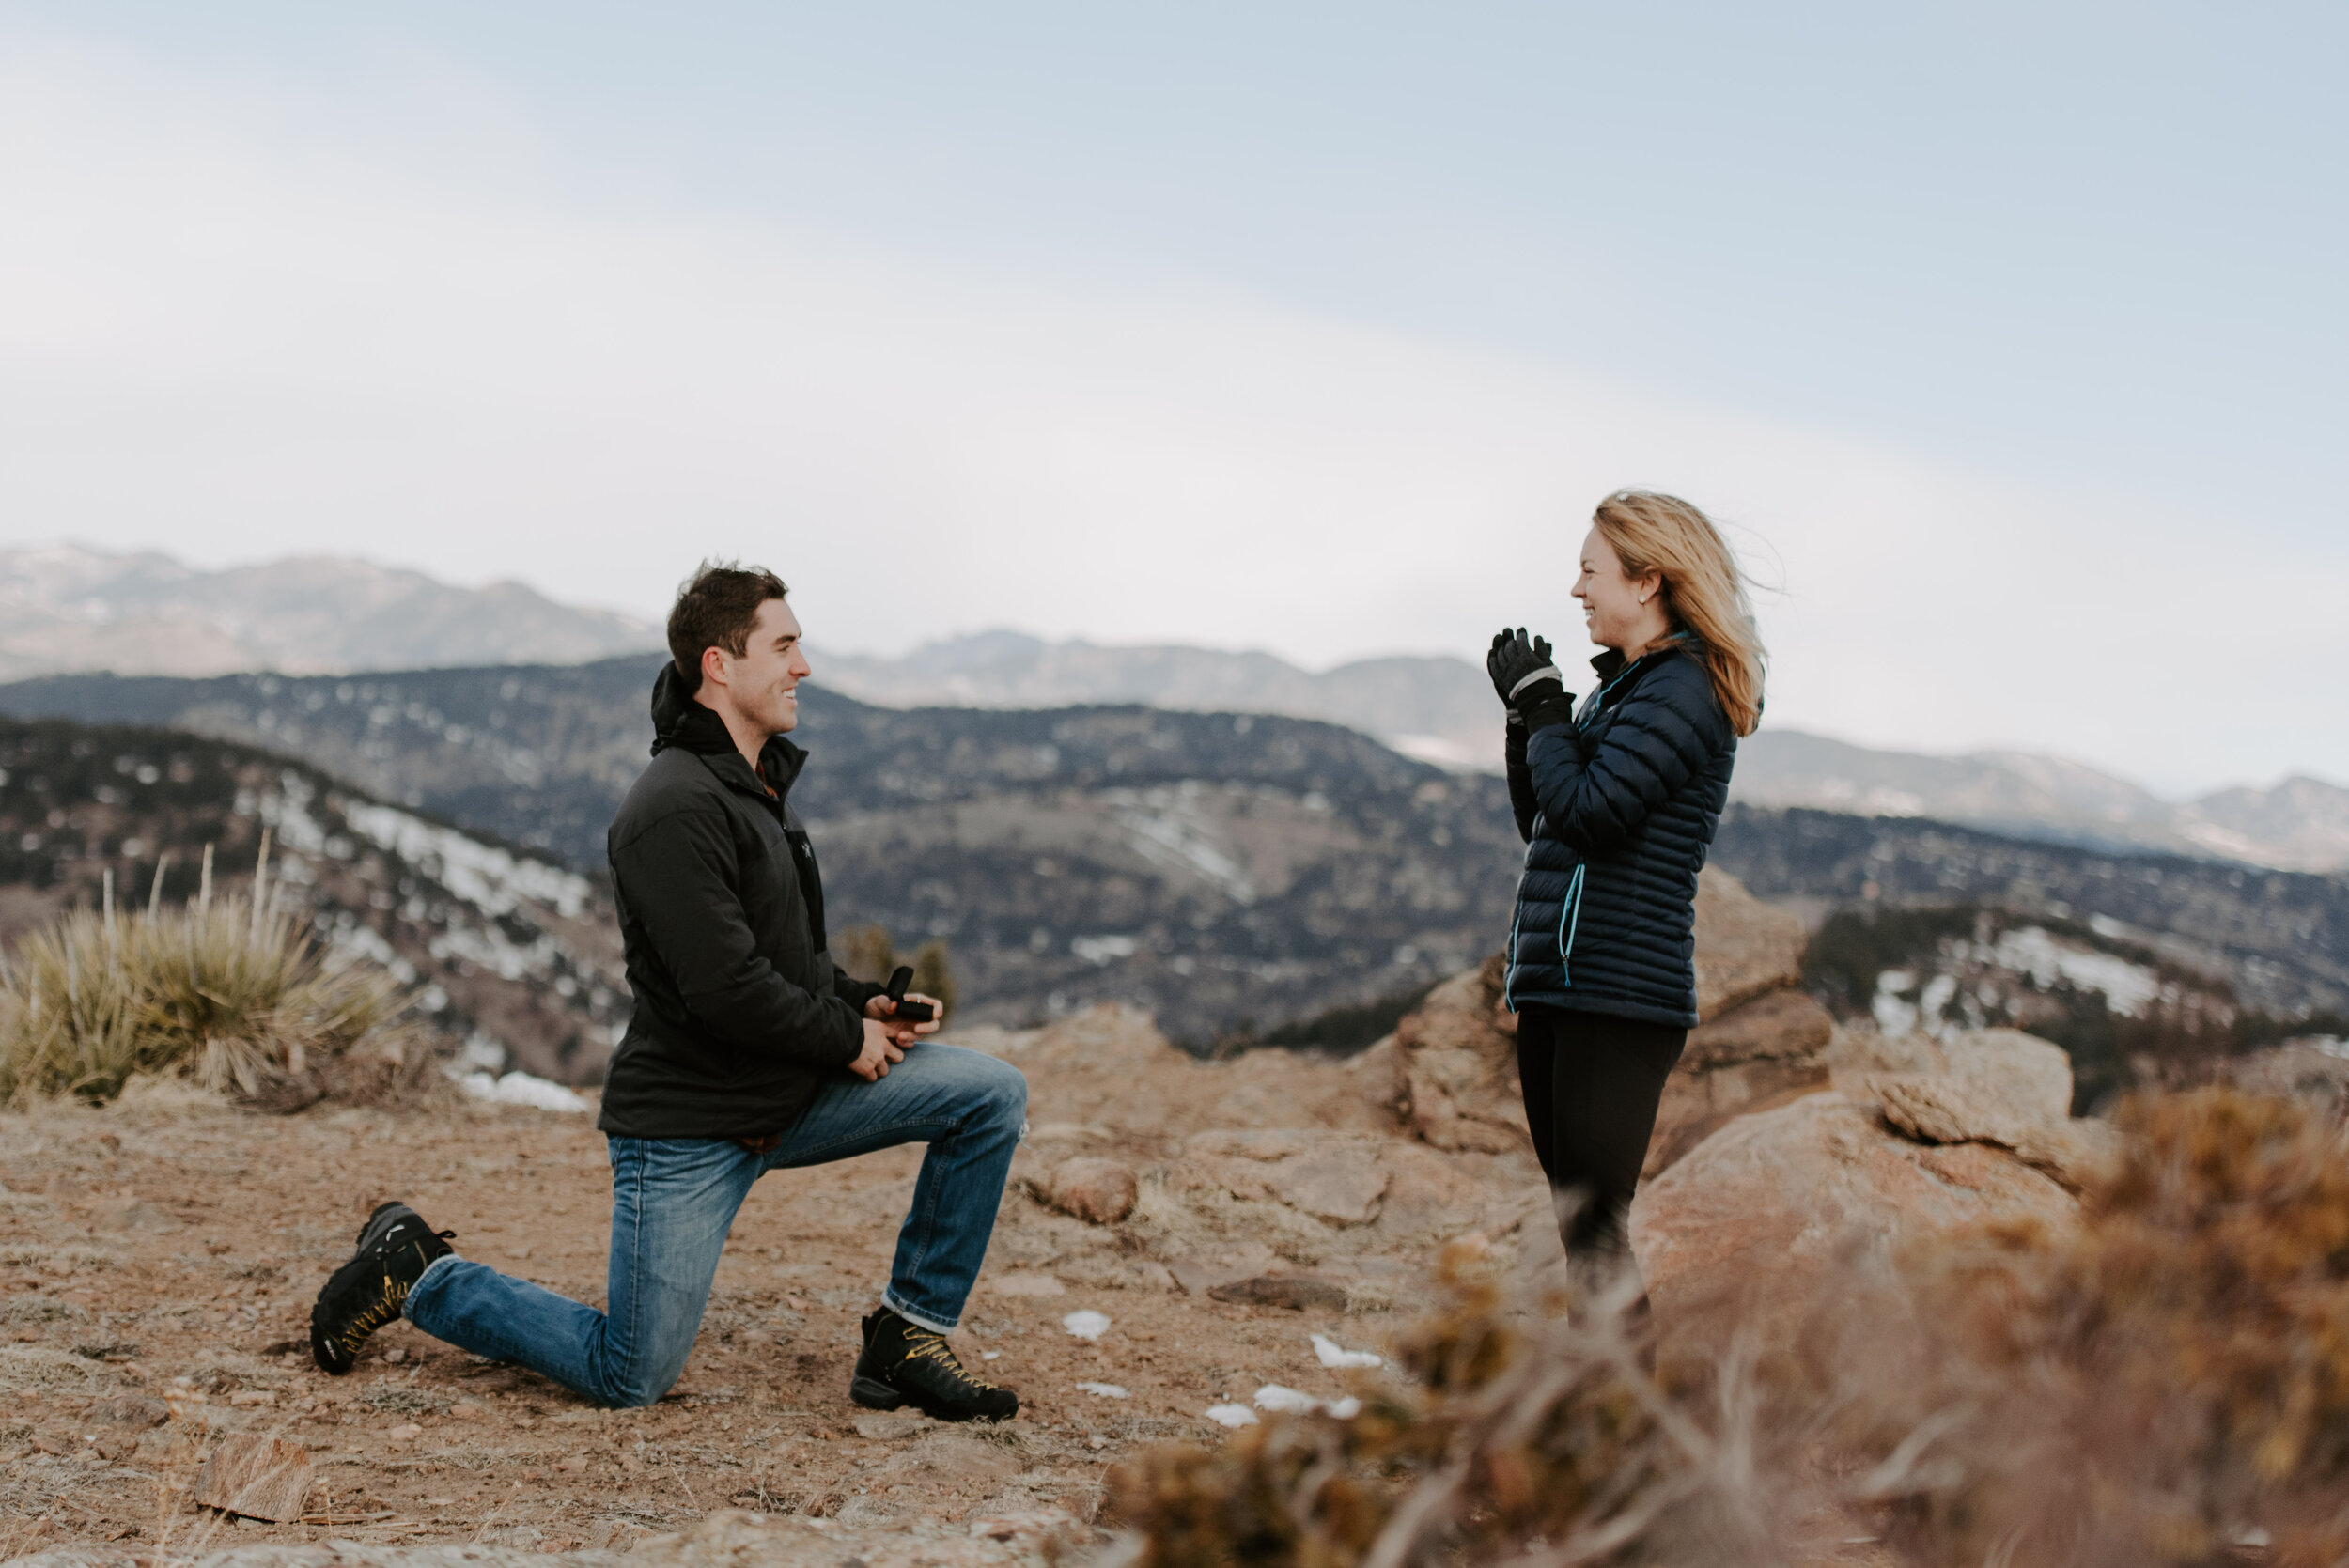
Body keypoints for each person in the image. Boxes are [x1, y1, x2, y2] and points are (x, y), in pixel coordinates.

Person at [305, 563, 1028, 1421]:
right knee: (631, 1372)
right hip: (691, 1127)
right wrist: (842, 1038)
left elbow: (780, 958)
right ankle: (419, 1271)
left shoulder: (754, 787)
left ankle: (907, 1336)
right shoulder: (672, 807)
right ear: (720, 664)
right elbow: (724, 987)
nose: (804, 667)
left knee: (990, 1095)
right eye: (785, 646)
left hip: (787, 1094)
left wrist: (862, 1002)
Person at [1485, 490, 1766, 1270]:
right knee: (1583, 1234)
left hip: (1617, 994)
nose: (1578, 589)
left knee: (1596, 1233)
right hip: (1566, 983)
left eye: (1590, 570)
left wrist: (1546, 705)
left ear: (1647, 581)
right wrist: (1526, 717)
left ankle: (1625, 1398)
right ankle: (1601, 1395)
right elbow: (1545, 821)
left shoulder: (1685, 688)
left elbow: (1592, 810)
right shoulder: (1627, 687)